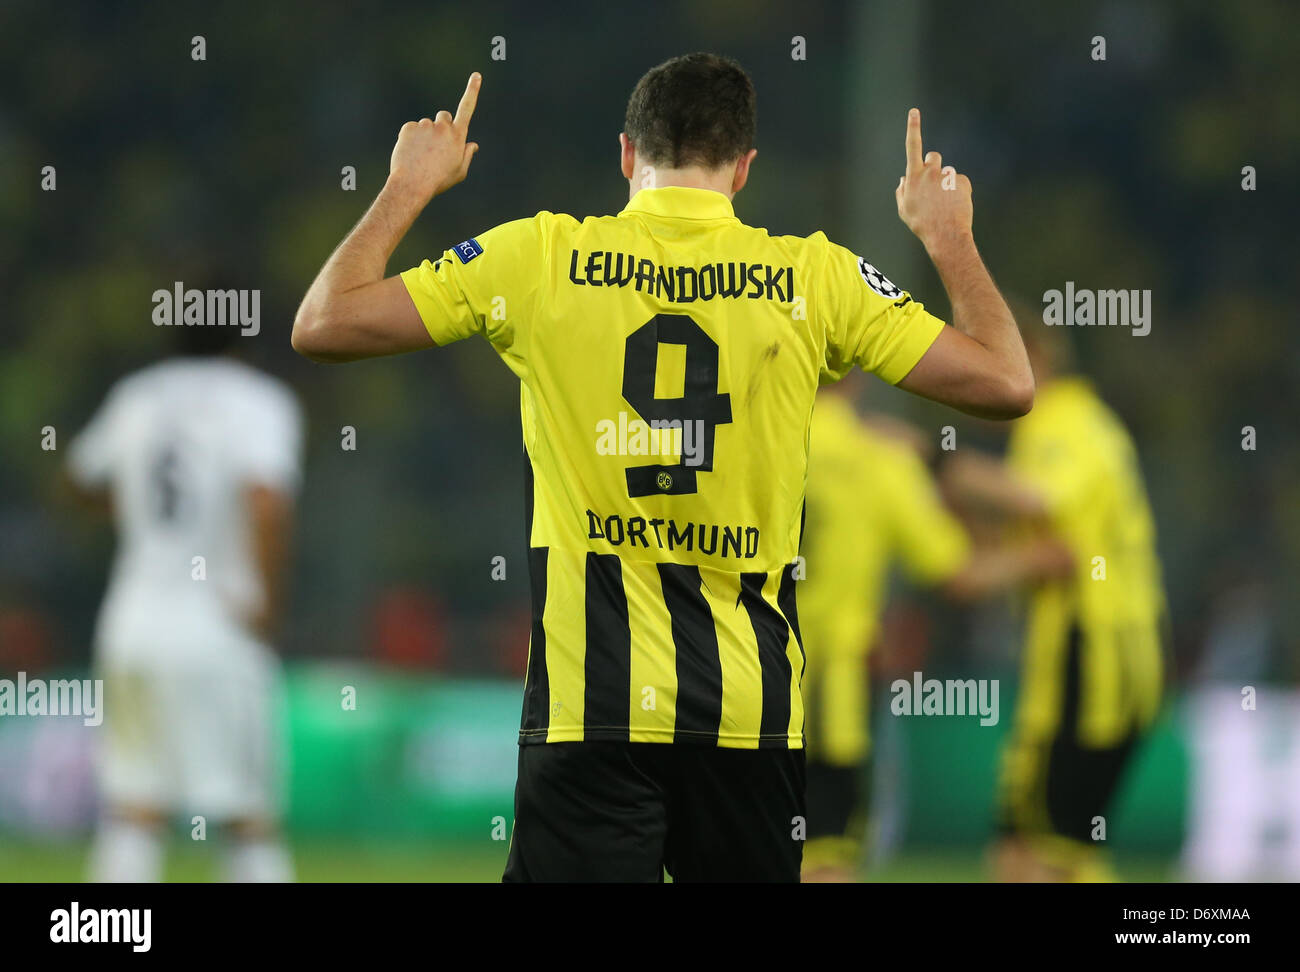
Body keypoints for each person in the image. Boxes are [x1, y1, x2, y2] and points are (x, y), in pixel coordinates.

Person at [292, 53, 1034, 882]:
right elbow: (1006, 381)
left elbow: (325, 321)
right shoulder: (813, 277)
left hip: (591, 711)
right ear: (745, 167)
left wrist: (410, 185)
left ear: (625, 153)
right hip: (747, 720)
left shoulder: (538, 258)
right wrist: (949, 237)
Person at [799, 374, 1071, 881]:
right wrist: (1035, 558)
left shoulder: (744, 437)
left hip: (733, 674)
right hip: (831, 681)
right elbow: (957, 573)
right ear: (854, 379)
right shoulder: (876, 459)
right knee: (823, 850)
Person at [68, 321, 302, 882]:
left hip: (133, 621)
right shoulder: (259, 401)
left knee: (133, 810)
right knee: (248, 817)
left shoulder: (136, 395)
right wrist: (268, 602)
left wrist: (135, 516)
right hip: (219, 623)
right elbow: (267, 502)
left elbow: (78, 478)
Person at [984, 325, 1166, 882]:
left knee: (1035, 847)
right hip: (1115, 655)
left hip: (1091, 656)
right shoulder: (1091, 423)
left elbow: (1048, 519)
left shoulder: (1064, 424)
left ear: (1028, 356)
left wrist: (950, 472)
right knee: (1059, 846)